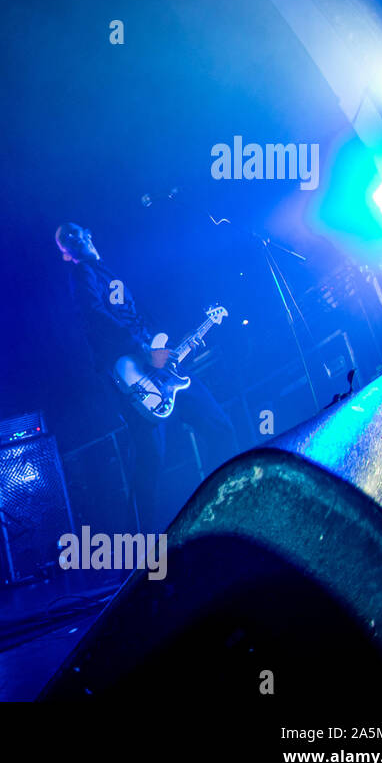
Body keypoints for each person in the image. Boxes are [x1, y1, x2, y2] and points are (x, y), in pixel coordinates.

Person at [55, 222, 237, 532]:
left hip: (161, 366)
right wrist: (142, 349)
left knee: (218, 428)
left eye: (74, 231)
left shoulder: (106, 272)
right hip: (137, 370)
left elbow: (138, 320)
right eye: (65, 239)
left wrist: (169, 348)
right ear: (67, 253)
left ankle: (227, 506)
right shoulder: (82, 273)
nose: (73, 237)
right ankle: (137, 554)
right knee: (149, 463)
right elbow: (94, 316)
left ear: (89, 232)